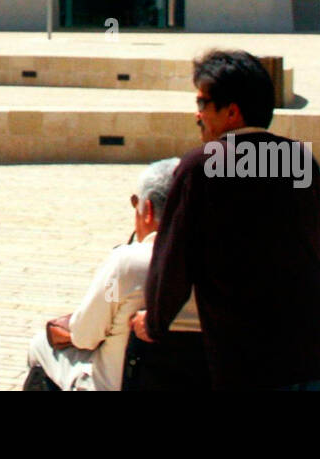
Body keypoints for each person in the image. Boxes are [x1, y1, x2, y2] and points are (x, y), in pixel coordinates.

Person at [133, 50, 320, 391]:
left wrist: (154, 323)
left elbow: (173, 262)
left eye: (203, 104)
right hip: (316, 351)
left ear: (231, 111)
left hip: (253, 362)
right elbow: (316, 252)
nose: (197, 115)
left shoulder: (201, 166)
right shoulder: (301, 160)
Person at [24, 159, 201, 392]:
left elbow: (85, 335)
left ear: (147, 210)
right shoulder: (219, 264)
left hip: (120, 384)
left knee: (40, 346)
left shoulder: (127, 263)